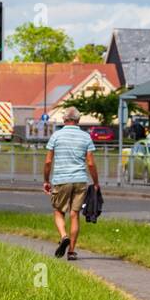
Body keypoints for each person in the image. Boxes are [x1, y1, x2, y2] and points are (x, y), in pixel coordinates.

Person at [42, 107, 100, 260]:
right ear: (78, 120)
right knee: (74, 214)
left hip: (61, 179)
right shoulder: (86, 137)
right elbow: (91, 163)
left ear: (64, 119)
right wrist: (96, 182)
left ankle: (63, 236)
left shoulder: (56, 136)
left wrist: (46, 180)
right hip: (80, 180)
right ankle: (72, 252)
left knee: (58, 211)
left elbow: (48, 161)